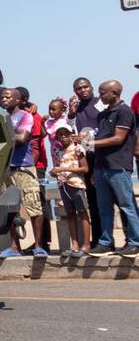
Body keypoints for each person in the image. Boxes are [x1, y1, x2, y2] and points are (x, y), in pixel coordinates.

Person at [86, 80, 139, 256]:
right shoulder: (103, 114)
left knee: (127, 205)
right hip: (102, 167)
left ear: (114, 93)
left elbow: (118, 138)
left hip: (118, 166)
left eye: (103, 93)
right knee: (104, 207)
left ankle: (135, 242)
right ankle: (106, 243)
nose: (100, 97)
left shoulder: (124, 111)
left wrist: (90, 143)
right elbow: (103, 140)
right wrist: (94, 169)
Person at [0, 86, 47, 258]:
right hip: (5, 169)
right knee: (9, 209)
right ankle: (15, 247)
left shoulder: (25, 116)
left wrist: (1, 137)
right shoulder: (1, 117)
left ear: (17, 100)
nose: (3, 99)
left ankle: (39, 246)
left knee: (33, 206)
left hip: (23, 167)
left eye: (7, 97)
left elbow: (22, 138)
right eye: (2, 97)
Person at [69, 77, 104, 245]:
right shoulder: (76, 108)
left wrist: (87, 137)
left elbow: (105, 129)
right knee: (93, 202)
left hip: (103, 156)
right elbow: (70, 128)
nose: (82, 90)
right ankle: (99, 239)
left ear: (91, 87)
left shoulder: (100, 103)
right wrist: (71, 113)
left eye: (85, 87)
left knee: (117, 201)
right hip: (87, 159)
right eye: (78, 88)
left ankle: (132, 239)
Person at [49, 127, 90, 258]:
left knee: (83, 213)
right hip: (63, 185)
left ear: (71, 135)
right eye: (60, 136)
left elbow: (85, 168)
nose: (63, 138)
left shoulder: (78, 148)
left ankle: (86, 245)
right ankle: (75, 245)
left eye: (65, 135)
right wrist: (55, 173)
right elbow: (61, 169)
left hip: (76, 184)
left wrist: (63, 169)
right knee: (70, 215)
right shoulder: (59, 152)